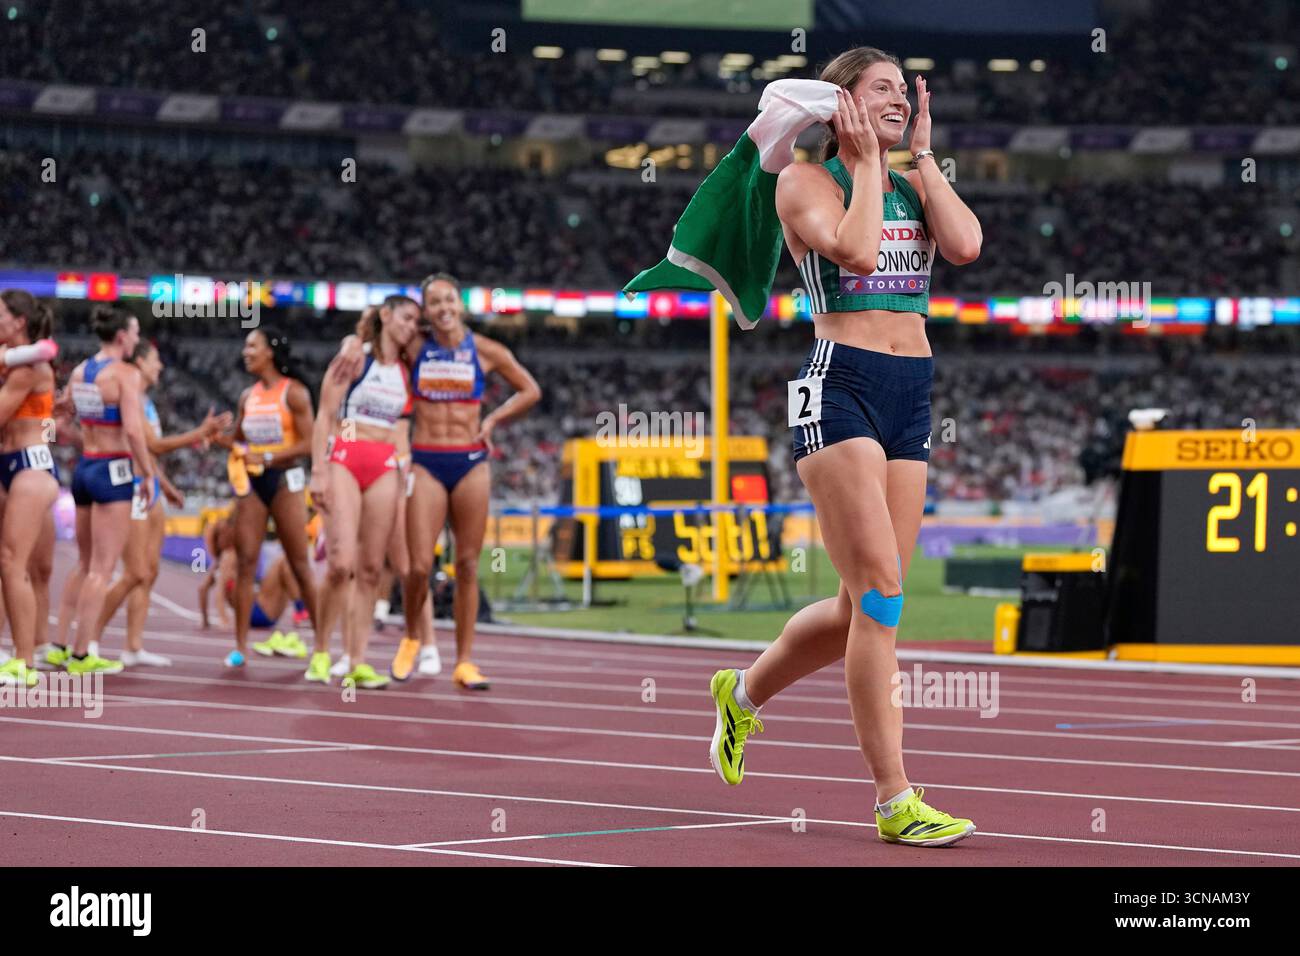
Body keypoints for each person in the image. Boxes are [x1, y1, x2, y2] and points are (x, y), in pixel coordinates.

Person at [707, 48, 983, 847]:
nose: (899, 98)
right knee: (884, 597)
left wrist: (921, 156)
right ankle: (895, 798)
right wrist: (866, 164)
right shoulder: (805, 181)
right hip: (841, 386)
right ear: (842, 103)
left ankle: (742, 692)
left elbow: (963, 245)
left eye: (905, 90)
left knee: (859, 604)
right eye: (882, 89)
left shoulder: (909, 181)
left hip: (912, 392)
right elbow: (858, 253)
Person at [337, 274, 540, 690]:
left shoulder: (486, 350)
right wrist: (352, 342)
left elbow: (530, 390)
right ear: (426, 311)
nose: (443, 308)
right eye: (434, 303)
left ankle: (464, 661)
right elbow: (377, 327)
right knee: (418, 567)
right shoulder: (415, 345)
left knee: (467, 565)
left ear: (460, 304)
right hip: (427, 462)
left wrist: (494, 419)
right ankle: (413, 635)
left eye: (449, 299)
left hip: (470, 462)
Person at [94, 340, 231, 665]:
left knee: (150, 572)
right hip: (131, 486)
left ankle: (133, 647)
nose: (161, 367)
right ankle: (88, 641)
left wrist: (165, 484)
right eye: (156, 360)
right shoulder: (130, 395)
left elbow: (147, 452)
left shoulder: (148, 402)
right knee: (134, 572)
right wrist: (198, 433)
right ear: (140, 362)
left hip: (150, 485)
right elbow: (152, 445)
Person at [309, 295, 418, 688]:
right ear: (385, 315)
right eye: (405, 318)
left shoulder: (406, 370)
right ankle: (321, 651)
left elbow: (403, 430)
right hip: (345, 454)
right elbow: (325, 414)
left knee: (372, 568)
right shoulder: (357, 357)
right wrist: (318, 470)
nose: (410, 327)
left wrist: (405, 474)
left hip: (384, 462)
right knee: (341, 563)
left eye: (414, 322)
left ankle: (356, 659)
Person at [50, 306, 155, 675]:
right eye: (136, 332)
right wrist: (148, 474)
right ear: (123, 336)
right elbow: (133, 430)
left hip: (85, 468)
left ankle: (59, 645)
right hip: (113, 470)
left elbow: (60, 415)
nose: (139, 339)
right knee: (102, 570)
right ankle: (82, 656)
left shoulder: (80, 370)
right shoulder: (126, 374)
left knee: (83, 564)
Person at [216, 327, 319, 668]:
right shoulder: (248, 396)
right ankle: (241, 647)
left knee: (299, 563)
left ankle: (320, 647)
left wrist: (271, 458)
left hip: (285, 481)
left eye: (252, 346)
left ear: (270, 352)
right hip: (253, 484)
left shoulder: (296, 394)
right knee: (246, 562)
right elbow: (240, 440)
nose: (245, 352)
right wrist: (218, 436)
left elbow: (311, 442)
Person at [0, 291, 60, 687]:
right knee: (22, 566)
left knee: (11, 561)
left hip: (30, 467)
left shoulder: (30, 368)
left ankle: (24, 662)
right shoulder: (16, 362)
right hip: (9, 463)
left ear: (19, 321)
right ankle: (32, 647)